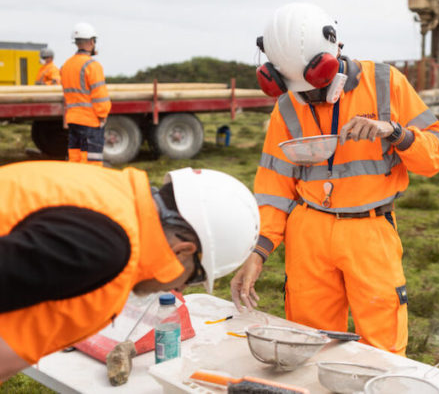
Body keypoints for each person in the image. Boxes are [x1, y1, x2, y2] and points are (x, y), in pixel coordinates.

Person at [230, 3, 439, 356]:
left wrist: (395, 132)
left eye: (317, 85)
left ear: (336, 52)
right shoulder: (286, 105)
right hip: (308, 232)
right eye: (299, 89)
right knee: (306, 344)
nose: (310, 97)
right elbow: (273, 187)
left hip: (370, 230)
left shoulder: (386, 83)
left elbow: (436, 156)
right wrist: (258, 252)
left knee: (382, 351)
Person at [0, 162, 260, 381]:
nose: (178, 289)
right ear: (183, 250)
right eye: (192, 279)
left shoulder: (113, 199)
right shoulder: (105, 247)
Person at [60, 22, 111, 166]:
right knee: (92, 164)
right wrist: (102, 115)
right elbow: (100, 96)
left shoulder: (66, 65)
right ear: (91, 42)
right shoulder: (92, 66)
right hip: (90, 122)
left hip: (73, 120)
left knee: (75, 162)